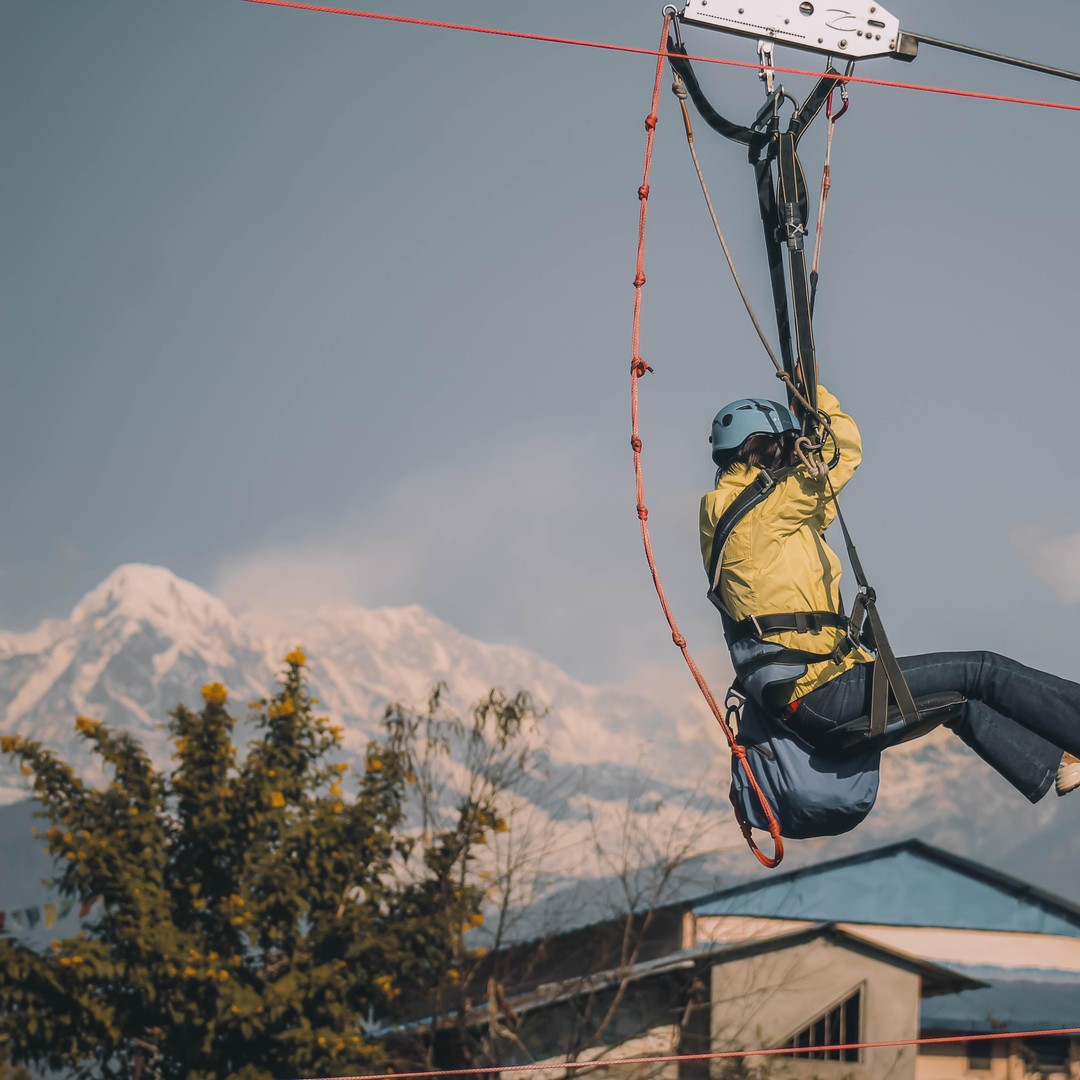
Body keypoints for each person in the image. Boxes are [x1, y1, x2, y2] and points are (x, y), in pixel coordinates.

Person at [700, 386, 1080, 802]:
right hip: (824, 690)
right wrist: (816, 399)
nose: (797, 456)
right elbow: (843, 453)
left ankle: (1057, 762)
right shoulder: (762, 509)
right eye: (791, 447)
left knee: (959, 698)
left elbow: (820, 504)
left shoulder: (738, 516)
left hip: (808, 695)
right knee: (984, 669)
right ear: (768, 448)